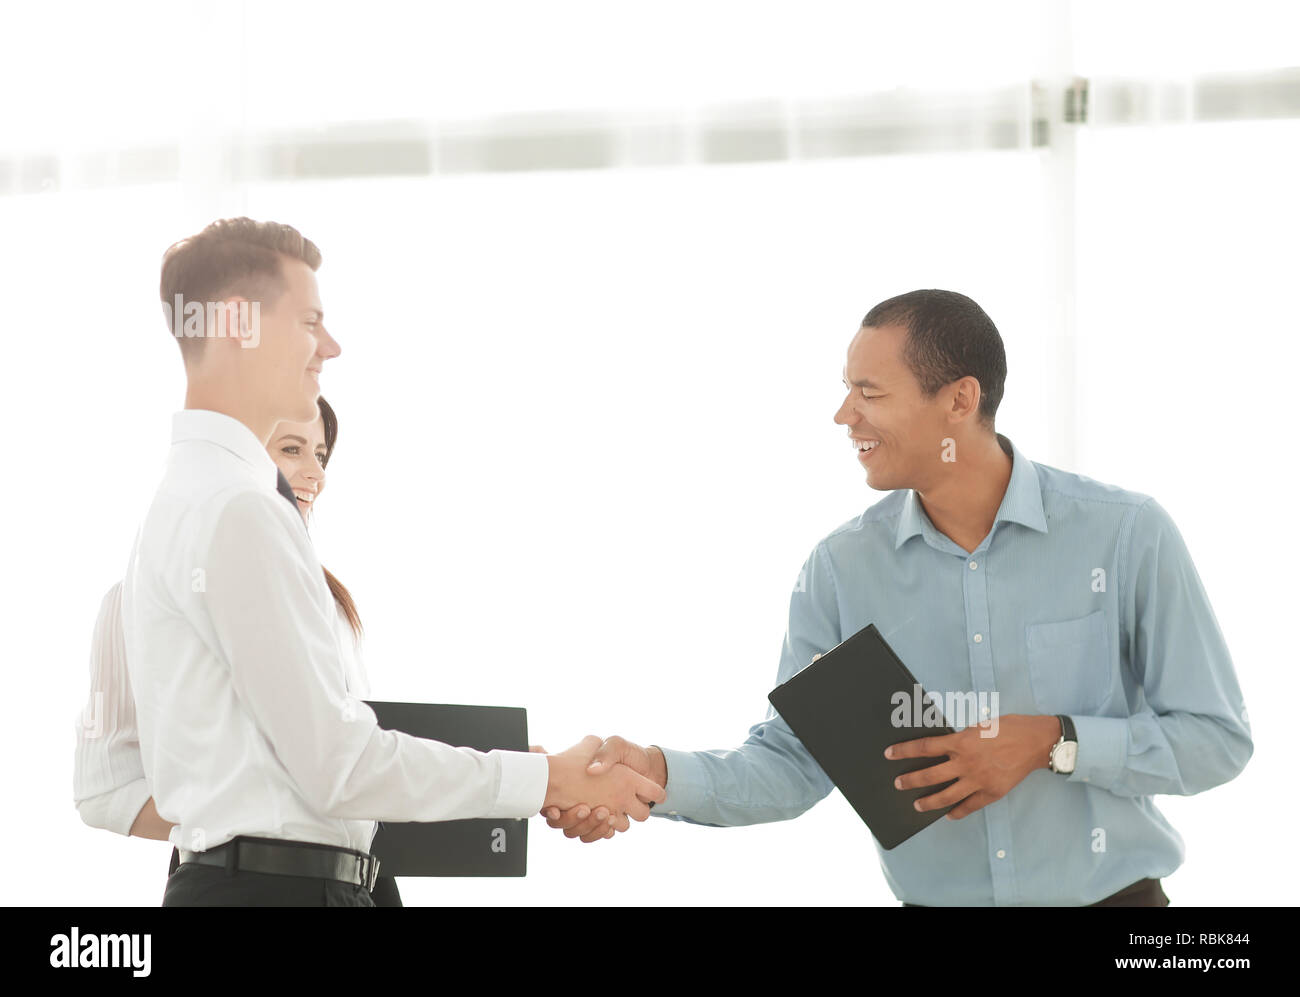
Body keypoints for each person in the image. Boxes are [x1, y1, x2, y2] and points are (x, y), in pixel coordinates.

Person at [544, 288, 1253, 906]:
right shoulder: (840, 570)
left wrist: (1053, 741)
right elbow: (791, 765)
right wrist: (658, 772)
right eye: (846, 389)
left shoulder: (1125, 534)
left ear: (959, 400)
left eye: (870, 393)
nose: (843, 415)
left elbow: (1216, 740)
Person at [98, 216, 663, 906]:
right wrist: (548, 779)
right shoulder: (238, 510)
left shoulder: (186, 502)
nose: (330, 346)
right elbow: (337, 765)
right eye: (310, 321)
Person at [74, 396, 404, 906]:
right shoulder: (136, 600)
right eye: (292, 449)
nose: (316, 473)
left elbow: (351, 762)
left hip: (359, 884)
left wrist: (498, 764)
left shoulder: (330, 604)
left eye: (321, 454)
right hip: (240, 885)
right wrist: (249, 817)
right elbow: (103, 790)